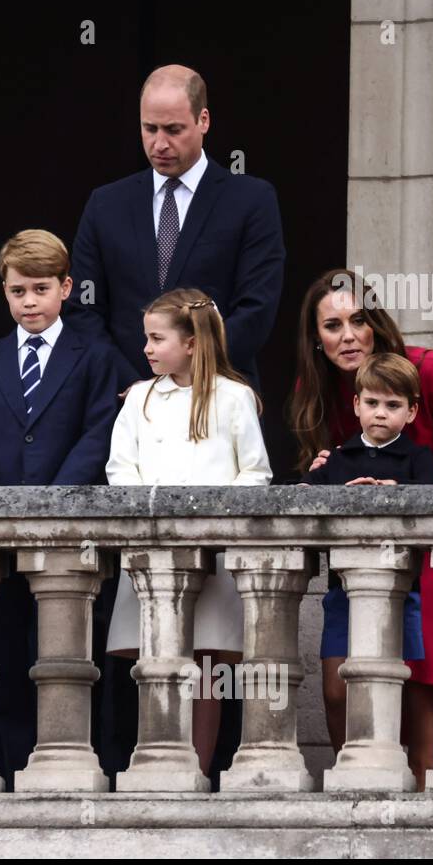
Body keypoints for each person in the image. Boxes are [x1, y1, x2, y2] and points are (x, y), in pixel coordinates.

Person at [288, 268, 433, 789]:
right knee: (340, 682)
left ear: (376, 323)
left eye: (358, 320)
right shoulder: (320, 392)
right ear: (317, 338)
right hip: (356, 560)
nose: (347, 335)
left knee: (420, 667)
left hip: (426, 549)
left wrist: (407, 485)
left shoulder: (428, 370)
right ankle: (352, 778)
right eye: (332, 326)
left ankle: (421, 780)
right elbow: (317, 479)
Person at [0, 229, 122, 783]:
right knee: (2, 650)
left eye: (41, 289)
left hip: (68, 535)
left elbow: (100, 433)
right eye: (18, 291)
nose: (29, 302)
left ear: (66, 288)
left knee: (67, 653)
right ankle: (12, 763)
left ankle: (72, 762)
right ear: (4, 292)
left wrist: (53, 503)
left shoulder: (95, 355)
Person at [105, 288, 271, 776]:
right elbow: (121, 469)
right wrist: (148, 525)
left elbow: (255, 473)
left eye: (157, 339)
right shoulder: (139, 398)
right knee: (155, 662)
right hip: (150, 554)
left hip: (213, 556)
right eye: (146, 339)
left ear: (193, 342)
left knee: (207, 669)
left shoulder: (235, 397)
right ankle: (156, 763)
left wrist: (213, 527)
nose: (147, 349)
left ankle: (196, 769)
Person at [64, 64, 285, 389]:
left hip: (217, 394)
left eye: (173, 129)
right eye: (149, 128)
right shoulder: (105, 204)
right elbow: (83, 309)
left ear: (204, 120)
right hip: (125, 401)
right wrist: (135, 386)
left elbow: (256, 308)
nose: (160, 143)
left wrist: (190, 374)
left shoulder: (251, 200)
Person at [301, 352, 433, 757]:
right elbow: (300, 500)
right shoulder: (337, 458)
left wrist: (395, 492)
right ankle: (345, 761)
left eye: (393, 405)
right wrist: (333, 497)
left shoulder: (418, 460)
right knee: (334, 689)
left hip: (402, 593)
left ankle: (391, 764)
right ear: (356, 405)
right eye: (372, 403)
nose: (380, 413)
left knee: (398, 683)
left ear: (412, 411)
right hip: (341, 592)